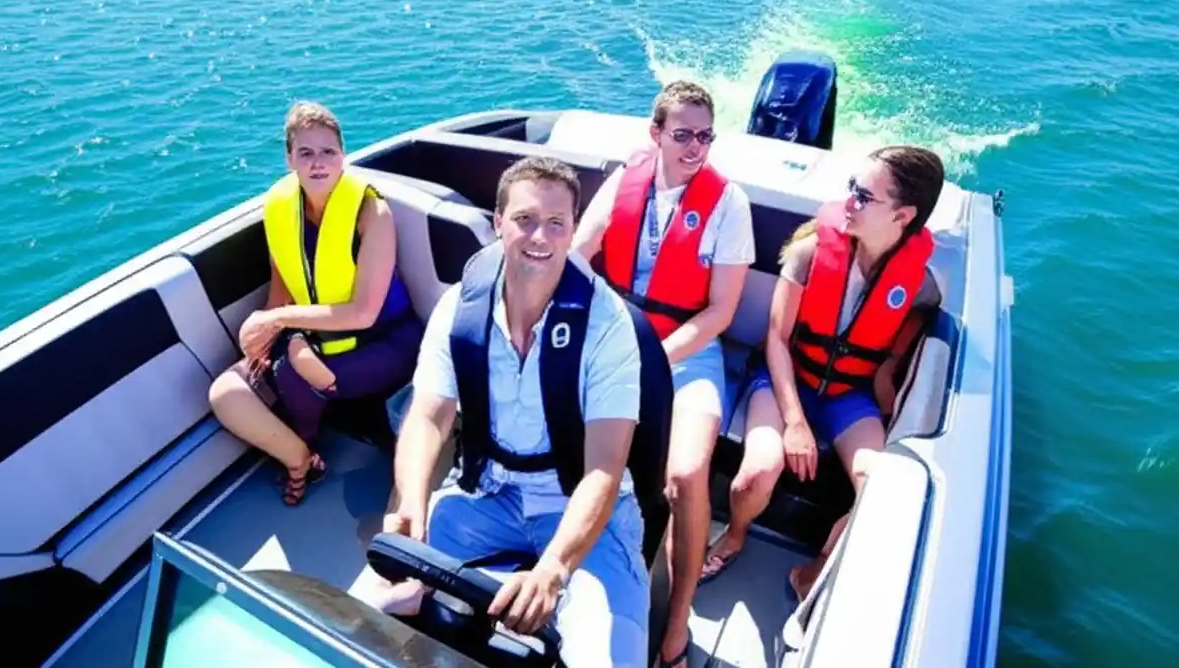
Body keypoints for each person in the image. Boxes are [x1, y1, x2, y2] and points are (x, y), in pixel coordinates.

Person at [374, 156, 658, 667]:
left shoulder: (608, 326)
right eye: (525, 219)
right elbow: (429, 417)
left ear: (573, 230)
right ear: (498, 221)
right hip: (486, 494)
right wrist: (412, 501)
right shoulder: (460, 310)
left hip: (580, 507)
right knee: (371, 605)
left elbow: (603, 469)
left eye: (556, 223)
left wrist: (553, 569)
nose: (540, 237)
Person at [702, 145, 946, 601]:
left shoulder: (921, 284)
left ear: (902, 216)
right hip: (784, 379)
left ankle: (811, 574)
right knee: (756, 474)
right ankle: (734, 535)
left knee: (880, 494)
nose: (849, 200)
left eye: (864, 196)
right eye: (852, 188)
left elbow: (919, 314)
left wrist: (888, 369)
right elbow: (776, 339)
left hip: (848, 397)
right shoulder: (809, 252)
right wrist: (795, 421)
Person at [572, 80, 754, 667]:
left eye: (705, 136)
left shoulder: (729, 204)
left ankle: (678, 619)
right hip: (616, 336)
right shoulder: (623, 183)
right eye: (682, 135)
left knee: (686, 474)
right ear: (655, 133)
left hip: (690, 353)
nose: (695, 147)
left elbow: (721, 310)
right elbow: (578, 257)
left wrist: (656, 357)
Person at [208, 101, 422, 506]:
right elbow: (283, 287)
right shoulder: (280, 207)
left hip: (386, 340)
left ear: (343, 155)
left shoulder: (371, 212)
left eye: (328, 151)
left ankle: (307, 441)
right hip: (313, 337)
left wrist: (277, 323)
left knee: (295, 367)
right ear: (289, 159)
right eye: (305, 153)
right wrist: (264, 342)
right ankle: (300, 456)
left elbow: (364, 312)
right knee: (226, 393)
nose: (318, 162)